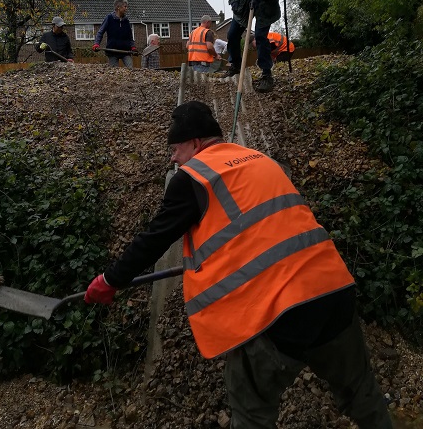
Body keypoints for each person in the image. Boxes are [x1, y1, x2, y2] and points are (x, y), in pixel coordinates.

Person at [84, 101, 391, 429]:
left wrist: (110, 279)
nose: (173, 158)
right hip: (334, 291)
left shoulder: (193, 178)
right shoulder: (260, 160)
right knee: (361, 392)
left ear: (197, 143)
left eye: (175, 149)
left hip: (280, 311)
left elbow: (154, 239)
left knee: (250, 414)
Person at [93, 0, 137, 68]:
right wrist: (96, 44)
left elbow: (130, 36)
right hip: (112, 51)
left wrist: (133, 47)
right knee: (114, 72)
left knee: (130, 69)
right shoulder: (109, 18)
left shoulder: (126, 21)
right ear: (118, 7)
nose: (126, 9)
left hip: (125, 51)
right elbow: (100, 32)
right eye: (125, 6)